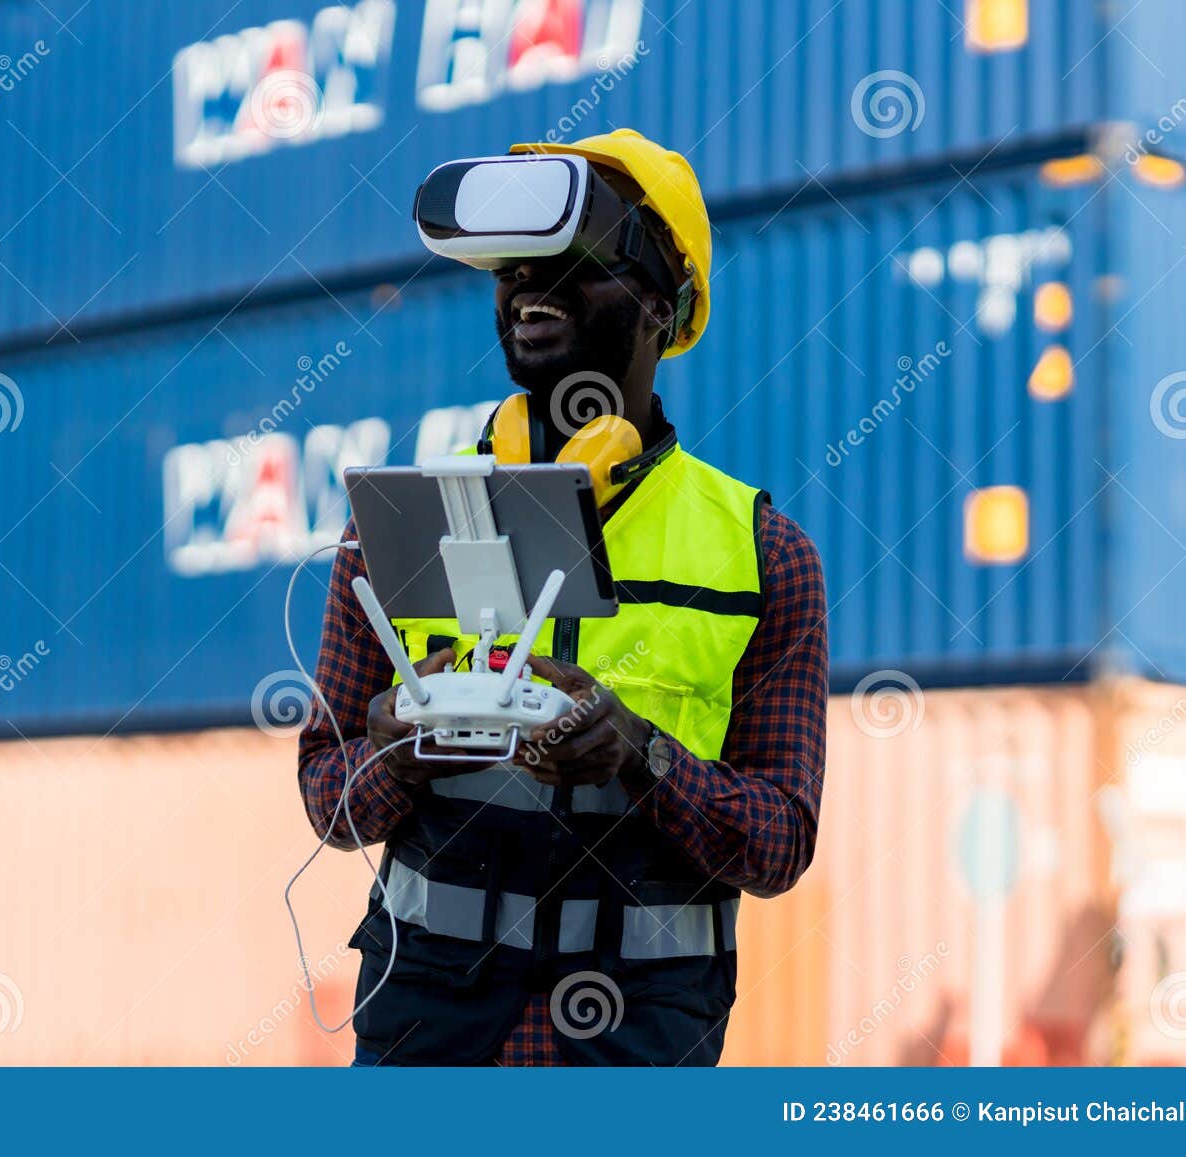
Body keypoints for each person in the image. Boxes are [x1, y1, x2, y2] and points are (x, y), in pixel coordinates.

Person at [297, 129, 828, 1066]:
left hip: (638, 1042)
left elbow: (780, 843)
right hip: (425, 1030)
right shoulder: (389, 525)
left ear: (663, 307)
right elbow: (329, 807)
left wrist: (642, 755)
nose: (530, 289)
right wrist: (400, 755)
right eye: (511, 267)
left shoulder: (764, 554)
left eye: (578, 264)